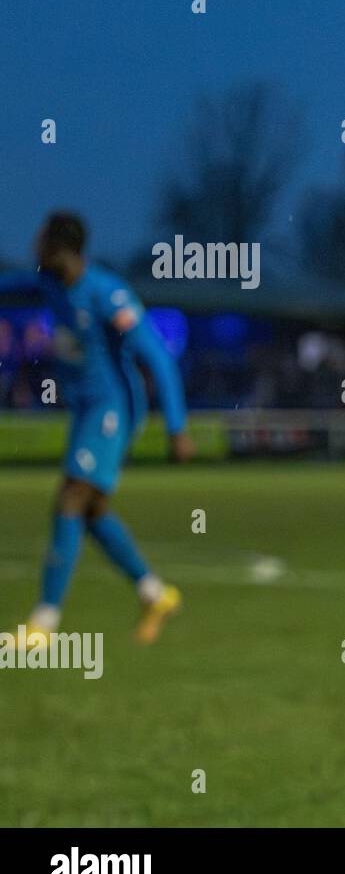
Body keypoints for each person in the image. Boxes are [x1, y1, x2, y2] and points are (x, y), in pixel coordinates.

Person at [0, 213, 192, 645]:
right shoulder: (48, 283)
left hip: (113, 410)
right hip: (85, 410)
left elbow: (157, 359)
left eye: (40, 238)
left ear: (60, 247)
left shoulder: (108, 294)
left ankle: (44, 623)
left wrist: (176, 426)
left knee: (70, 496)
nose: (32, 246)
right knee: (91, 510)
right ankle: (154, 593)